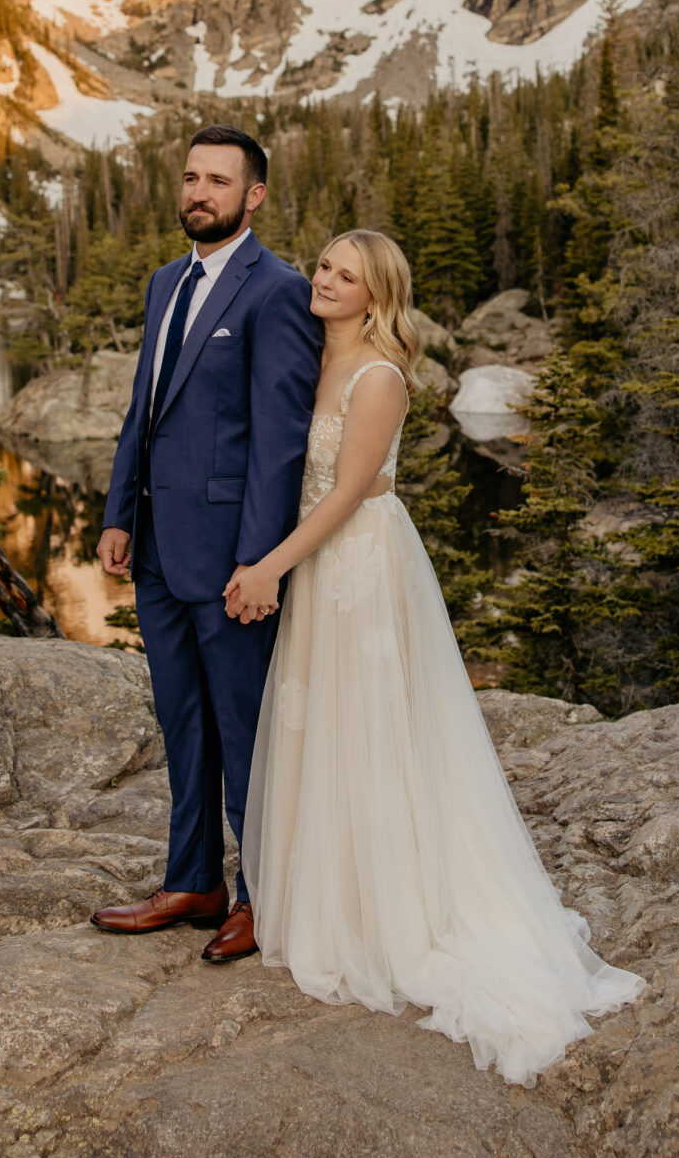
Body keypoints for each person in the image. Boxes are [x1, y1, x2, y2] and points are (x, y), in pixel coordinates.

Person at [230, 229, 644, 1084]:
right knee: (321, 721)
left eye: (346, 276)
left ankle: (387, 910)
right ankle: (324, 897)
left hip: (354, 564)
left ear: (377, 296)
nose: (325, 282)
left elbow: (347, 492)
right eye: (323, 267)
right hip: (316, 565)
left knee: (366, 725)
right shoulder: (310, 357)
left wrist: (269, 563)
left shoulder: (379, 374)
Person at [91, 126, 322, 963]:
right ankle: (192, 880)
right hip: (155, 549)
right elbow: (142, 411)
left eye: (218, 182)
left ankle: (265, 893)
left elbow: (278, 442)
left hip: (230, 561)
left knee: (245, 728)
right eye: (191, 177)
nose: (199, 193)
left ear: (252, 196)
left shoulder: (278, 291)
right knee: (182, 722)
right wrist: (119, 514)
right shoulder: (164, 283)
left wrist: (258, 562)